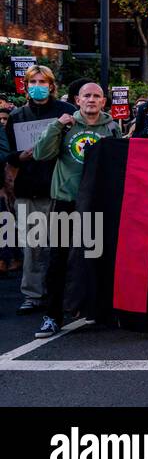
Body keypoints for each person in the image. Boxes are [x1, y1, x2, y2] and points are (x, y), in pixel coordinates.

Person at [32, 81, 121, 337]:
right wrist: (57, 125)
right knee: (58, 259)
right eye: (86, 96)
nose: (91, 100)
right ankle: (52, 315)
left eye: (96, 96)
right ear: (77, 100)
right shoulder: (65, 125)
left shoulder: (112, 127)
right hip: (66, 201)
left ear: (103, 101)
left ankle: (95, 308)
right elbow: (41, 155)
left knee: (97, 257)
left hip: (98, 202)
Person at [5, 65, 74, 314]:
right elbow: (9, 154)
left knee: (60, 246)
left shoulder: (66, 112)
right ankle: (33, 294)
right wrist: (20, 157)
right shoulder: (17, 116)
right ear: (26, 85)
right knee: (32, 247)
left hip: (59, 188)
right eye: (33, 81)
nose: (38, 85)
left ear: (52, 85)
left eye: (43, 81)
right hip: (29, 189)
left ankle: (62, 293)